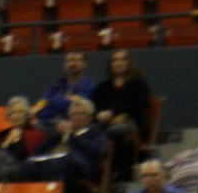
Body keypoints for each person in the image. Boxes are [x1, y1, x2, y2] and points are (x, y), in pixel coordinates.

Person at [13, 96, 108, 186]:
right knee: (27, 165)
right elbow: (38, 152)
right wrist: (56, 135)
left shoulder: (95, 131)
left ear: (89, 118)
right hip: (55, 161)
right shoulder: (60, 133)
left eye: (81, 114)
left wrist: (71, 136)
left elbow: (97, 151)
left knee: (50, 165)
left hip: (80, 166)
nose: (76, 117)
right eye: (73, 114)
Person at [91, 49, 153, 182]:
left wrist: (114, 113)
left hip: (131, 123)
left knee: (116, 130)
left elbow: (140, 106)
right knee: (88, 132)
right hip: (105, 124)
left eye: (122, 59)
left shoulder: (138, 84)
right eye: (115, 60)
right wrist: (99, 115)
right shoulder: (104, 86)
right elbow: (95, 107)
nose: (118, 63)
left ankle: (120, 172)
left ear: (129, 63)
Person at [35, 50, 97, 127]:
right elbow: (42, 105)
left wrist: (55, 101)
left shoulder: (90, 86)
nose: (72, 64)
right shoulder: (56, 86)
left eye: (76, 60)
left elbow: (77, 106)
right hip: (52, 123)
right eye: (69, 61)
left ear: (84, 64)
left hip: (77, 124)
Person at [0, 96, 45, 164]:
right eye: (12, 113)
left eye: (20, 112)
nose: (15, 116)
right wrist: (7, 142)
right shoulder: (4, 135)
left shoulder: (36, 134)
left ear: (26, 114)